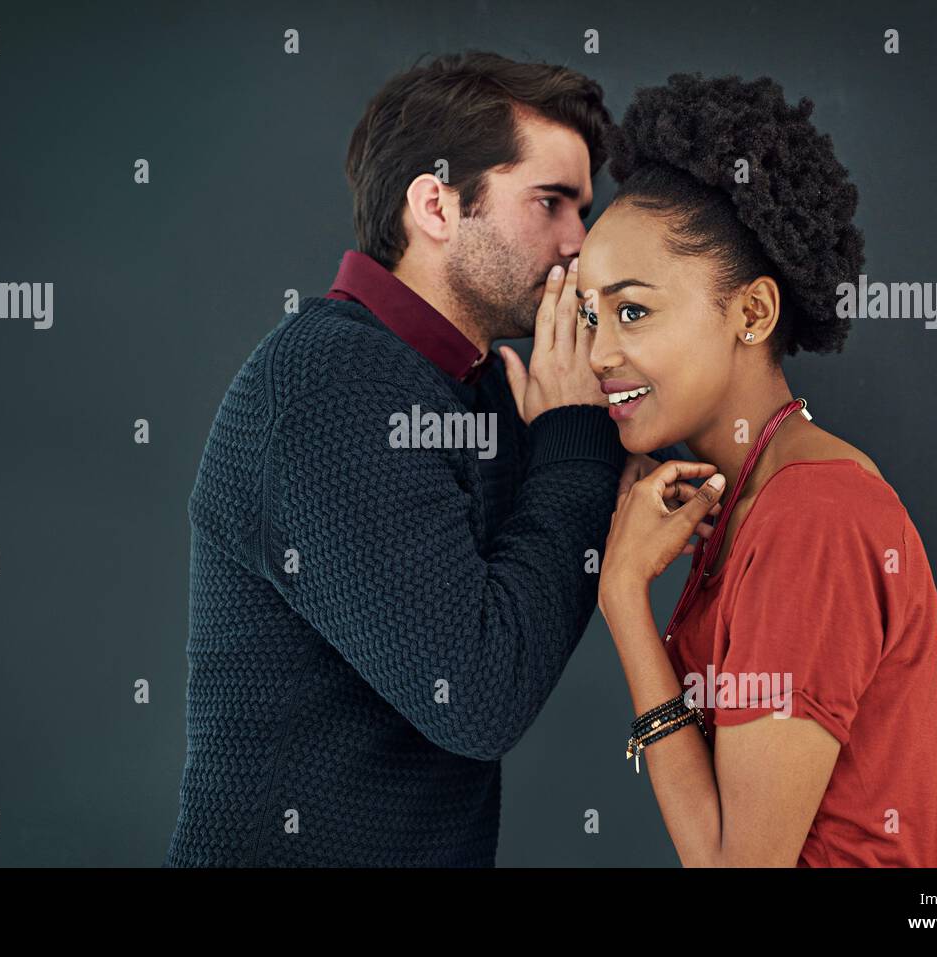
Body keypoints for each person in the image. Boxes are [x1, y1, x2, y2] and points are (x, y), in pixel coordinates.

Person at [164, 51, 638, 867]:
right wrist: (571, 442)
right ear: (437, 205)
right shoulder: (328, 381)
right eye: (551, 203)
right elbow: (481, 695)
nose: (579, 245)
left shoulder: (476, 382)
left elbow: (570, 522)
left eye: (584, 210)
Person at [578, 74, 937, 866]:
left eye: (632, 310)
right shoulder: (779, 490)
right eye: (589, 314)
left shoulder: (810, 515)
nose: (598, 353)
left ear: (752, 313)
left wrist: (622, 596)